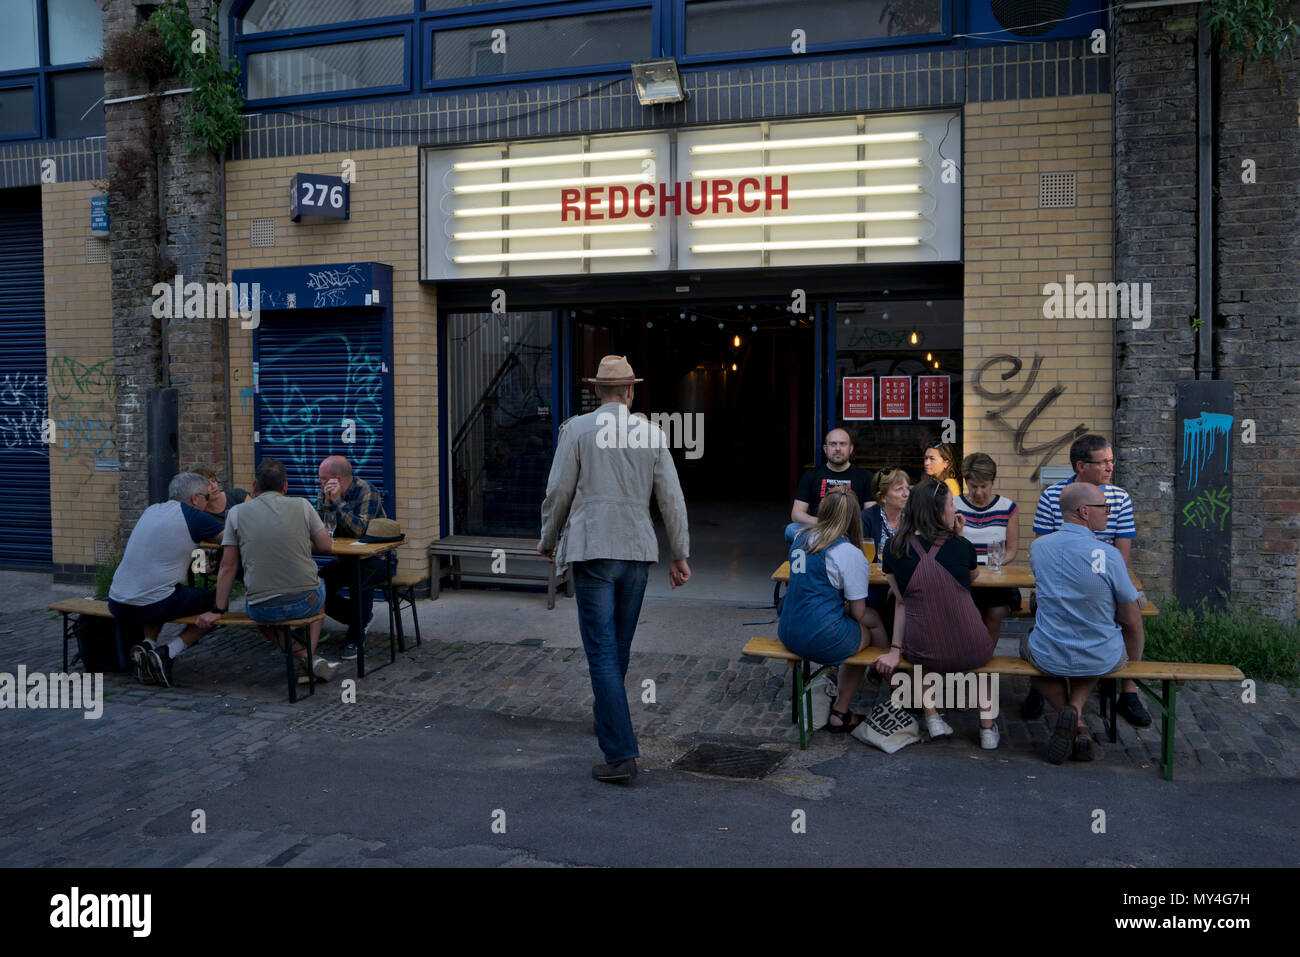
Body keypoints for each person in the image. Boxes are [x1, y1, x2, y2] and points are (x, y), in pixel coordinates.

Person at [538, 355, 691, 784]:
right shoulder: (652, 434)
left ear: (596, 392)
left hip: (594, 549)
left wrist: (548, 539)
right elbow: (672, 499)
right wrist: (680, 554)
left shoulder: (577, 430)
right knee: (618, 647)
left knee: (602, 651)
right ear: (630, 392)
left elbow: (558, 491)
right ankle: (610, 718)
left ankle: (620, 753)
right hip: (637, 551)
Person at [1027, 434, 1147, 726]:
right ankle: (1064, 701)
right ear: (1081, 465)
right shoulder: (1052, 496)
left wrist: (1100, 585)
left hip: (1106, 578)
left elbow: (1122, 552)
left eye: (1111, 460)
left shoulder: (1119, 497)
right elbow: (1045, 551)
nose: (1110, 467)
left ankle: (1128, 689)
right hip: (1065, 578)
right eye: (1103, 462)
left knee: (1130, 607)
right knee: (1047, 606)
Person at [874, 479, 999, 749]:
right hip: (973, 648)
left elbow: (901, 602)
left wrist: (896, 648)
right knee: (984, 670)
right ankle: (987, 730)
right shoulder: (961, 546)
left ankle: (932, 718)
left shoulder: (894, 548)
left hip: (925, 651)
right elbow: (973, 576)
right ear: (936, 511)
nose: (955, 509)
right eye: (951, 504)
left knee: (919, 654)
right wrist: (959, 535)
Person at [196, 457, 340, 684]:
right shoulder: (302, 505)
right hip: (305, 600)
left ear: (255, 486)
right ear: (285, 486)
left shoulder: (236, 513)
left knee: (260, 615)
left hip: (262, 608)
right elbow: (326, 546)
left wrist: (219, 608)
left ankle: (304, 658)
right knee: (319, 586)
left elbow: (227, 566)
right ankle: (309, 658)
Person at [780, 487, 889, 733]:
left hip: (788, 629)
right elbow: (857, 614)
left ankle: (888, 685)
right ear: (854, 518)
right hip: (820, 636)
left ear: (823, 512)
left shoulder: (801, 538)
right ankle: (844, 709)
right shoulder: (848, 553)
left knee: (869, 621)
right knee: (868, 629)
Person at [112, 473, 225, 687]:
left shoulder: (151, 510)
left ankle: (147, 645)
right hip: (153, 603)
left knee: (162, 589)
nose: (209, 504)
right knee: (218, 603)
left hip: (117, 602)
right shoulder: (194, 516)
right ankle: (168, 653)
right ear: (195, 498)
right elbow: (233, 540)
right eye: (207, 499)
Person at [316, 455, 389, 660]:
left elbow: (359, 531)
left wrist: (338, 501)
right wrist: (329, 504)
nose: (319, 482)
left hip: (377, 559)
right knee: (317, 584)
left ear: (336, 479)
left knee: (360, 580)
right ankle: (360, 619)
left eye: (322, 478)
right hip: (346, 558)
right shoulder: (324, 493)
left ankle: (356, 637)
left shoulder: (367, 491)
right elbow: (322, 528)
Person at [954, 453, 1021, 642]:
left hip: (995, 579)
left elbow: (1012, 550)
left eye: (984, 486)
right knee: (966, 612)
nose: (978, 492)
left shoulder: (1008, 507)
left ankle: (986, 659)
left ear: (993, 481)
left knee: (995, 611)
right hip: (965, 577)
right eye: (973, 486)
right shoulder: (953, 505)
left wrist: (994, 563)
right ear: (966, 481)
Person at [860, 467, 910, 629]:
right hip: (873, 584)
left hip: (904, 581)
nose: (906, 494)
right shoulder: (866, 518)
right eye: (898, 489)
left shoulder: (913, 517)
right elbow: (860, 557)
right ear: (882, 498)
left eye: (907, 488)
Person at [791, 428, 873, 526]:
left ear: (851, 449)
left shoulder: (865, 476)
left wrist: (844, 526)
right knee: (791, 528)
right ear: (825, 449)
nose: (838, 448)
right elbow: (796, 514)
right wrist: (826, 524)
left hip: (850, 531)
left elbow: (870, 515)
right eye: (833, 444)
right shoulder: (811, 475)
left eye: (842, 444)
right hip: (820, 530)